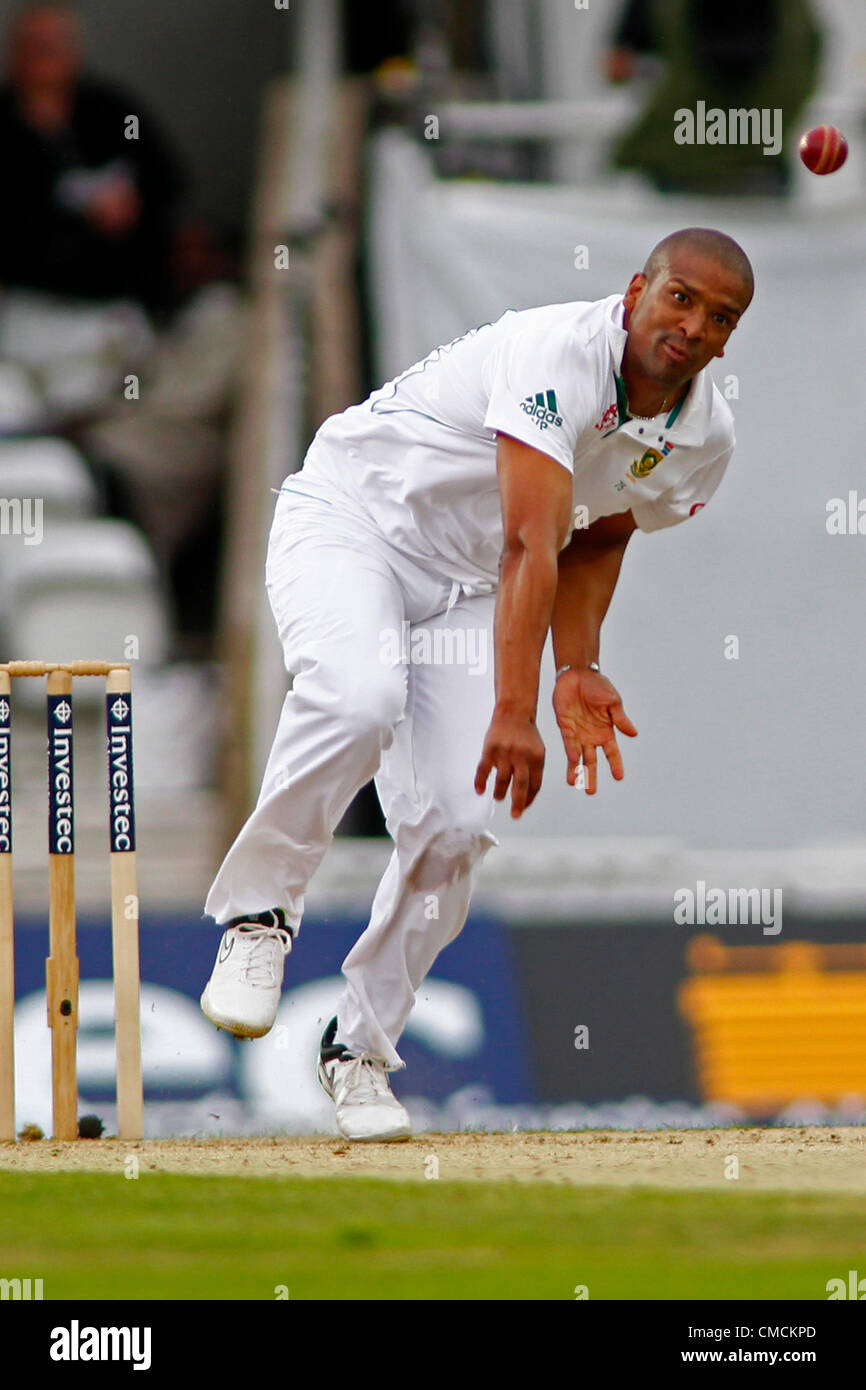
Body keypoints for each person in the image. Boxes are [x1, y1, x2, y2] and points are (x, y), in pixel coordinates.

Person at [200, 227, 754, 1141]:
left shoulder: (704, 437)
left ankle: (361, 1051)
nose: (692, 326)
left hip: (467, 592)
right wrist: (514, 706)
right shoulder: (556, 354)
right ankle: (259, 915)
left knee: (459, 822)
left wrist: (576, 667)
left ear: (731, 338)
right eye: (679, 298)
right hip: (355, 524)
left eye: (718, 317)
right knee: (357, 696)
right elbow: (530, 540)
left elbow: (601, 533)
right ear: (635, 291)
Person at [0, 0, 187, 312]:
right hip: (36, 299)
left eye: (50, 46)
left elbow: (164, 174)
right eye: (30, 46)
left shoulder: (110, 111)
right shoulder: (5, 125)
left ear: (73, 50)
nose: (39, 56)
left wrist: (130, 201)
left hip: (124, 293)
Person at [606, 0, 822, 196]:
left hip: (672, 175)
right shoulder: (796, 14)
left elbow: (616, 69)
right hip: (761, 173)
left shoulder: (655, 7)